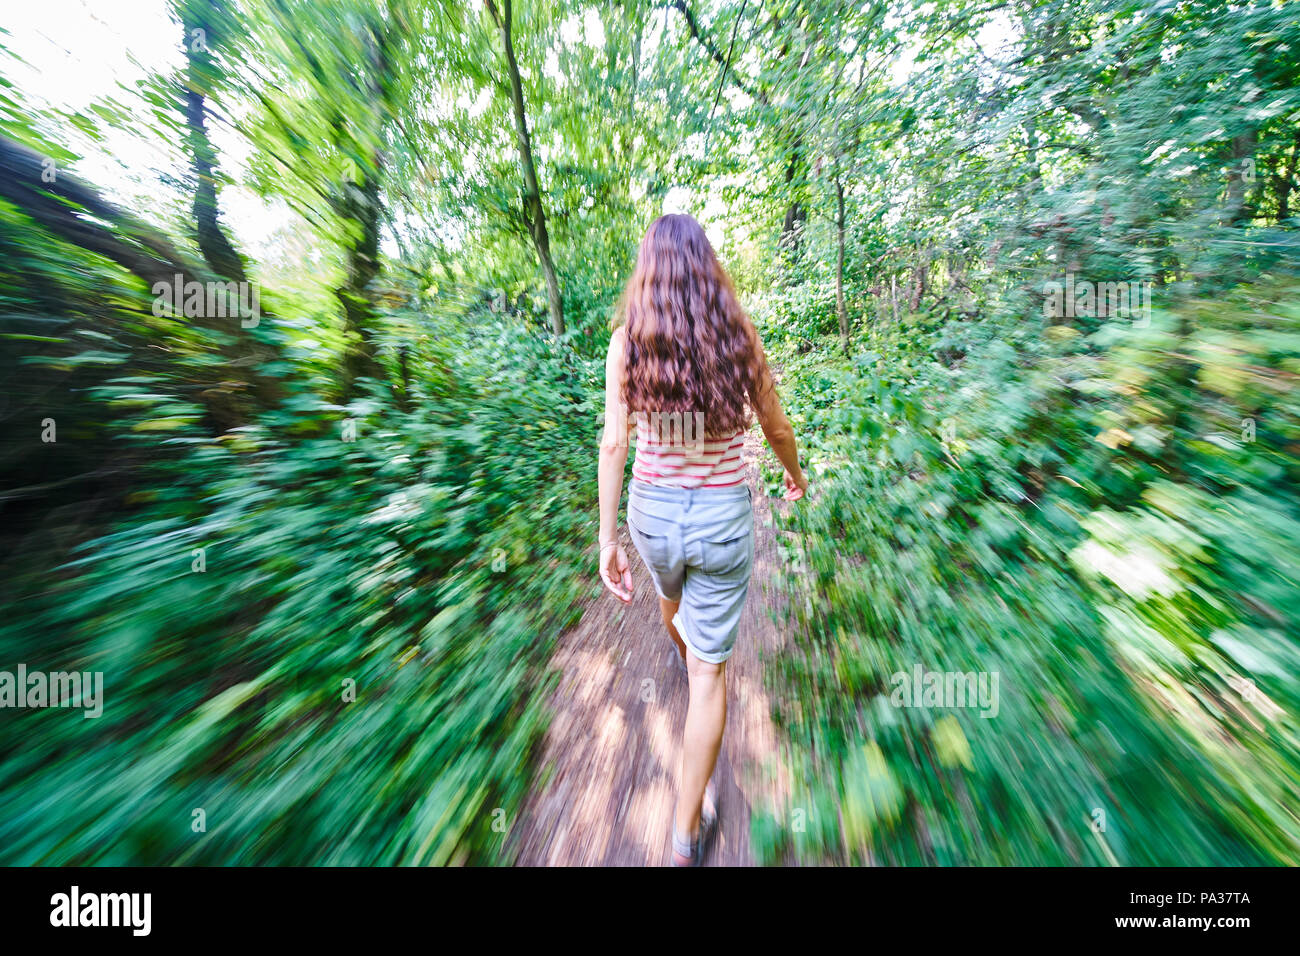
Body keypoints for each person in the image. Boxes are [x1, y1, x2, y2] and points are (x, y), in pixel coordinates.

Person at [596, 213, 809, 866]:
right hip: (720, 519)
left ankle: (680, 641)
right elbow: (774, 424)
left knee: (670, 592)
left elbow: (613, 442)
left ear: (649, 273)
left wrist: (606, 537)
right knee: (709, 677)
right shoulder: (737, 336)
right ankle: (686, 834)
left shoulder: (628, 342)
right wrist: (795, 476)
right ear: (708, 267)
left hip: (654, 518)